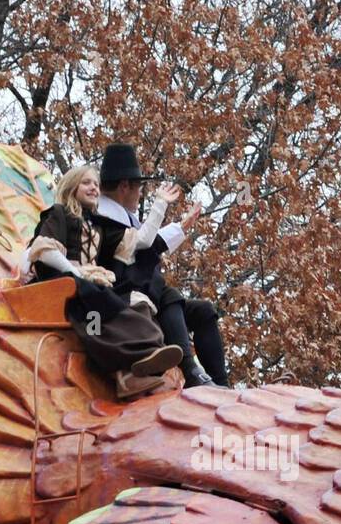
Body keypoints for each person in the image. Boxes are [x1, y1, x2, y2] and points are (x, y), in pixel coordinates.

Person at [20, 164, 183, 399]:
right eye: (87, 183)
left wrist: (160, 203)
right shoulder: (59, 213)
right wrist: (77, 272)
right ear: (72, 186)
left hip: (91, 285)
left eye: (96, 184)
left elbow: (142, 240)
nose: (94, 188)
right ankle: (123, 368)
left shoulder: (99, 226)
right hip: (62, 285)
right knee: (96, 306)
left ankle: (136, 365)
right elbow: (44, 250)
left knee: (134, 299)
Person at [93, 143, 230, 388]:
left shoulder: (122, 218)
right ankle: (191, 372)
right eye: (138, 188)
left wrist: (181, 227)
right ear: (124, 186)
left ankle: (221, 383)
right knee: (169, 296)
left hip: (143, 290)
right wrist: (160, 205)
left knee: (203, 311)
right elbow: (142, 242)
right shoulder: (100, 217)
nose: (140, 195)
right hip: (118, 294)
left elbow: (146, 244)